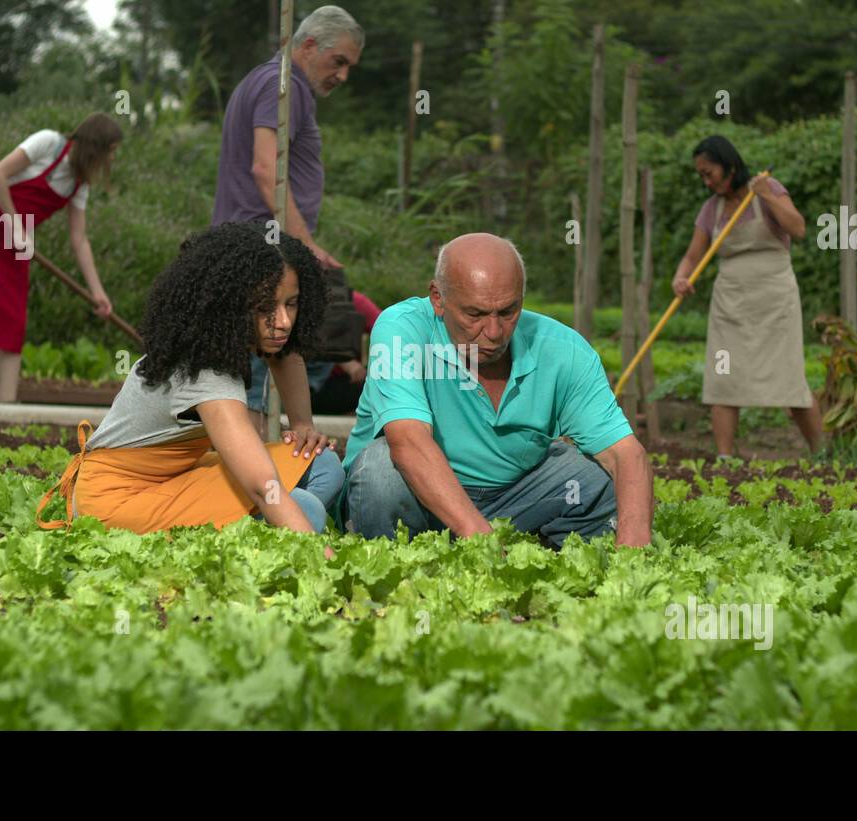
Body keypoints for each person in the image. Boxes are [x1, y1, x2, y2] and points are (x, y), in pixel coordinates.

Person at [341, 233, 654, 549]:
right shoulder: (402, 329)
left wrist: (633, 554)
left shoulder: (563, 349)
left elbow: (625, 454)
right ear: (438, 298)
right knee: (380, 471)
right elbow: (408, 442)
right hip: (418, 498)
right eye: (474, 314)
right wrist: (487, 549)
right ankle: (398, 565)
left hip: (510, 498)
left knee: (599, 479)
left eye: (508, 312)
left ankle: (553, 561)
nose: (493, 332)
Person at [36, 222, 343, 537]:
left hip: (171, 477)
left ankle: (260, 531)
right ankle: (269, 537)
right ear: (228, 306)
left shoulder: (222, 338)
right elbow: (264, 488)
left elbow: (285, 354)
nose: (284, 322)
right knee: (303, 507)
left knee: (322, 464)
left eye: (291, 303)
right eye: (266, 307)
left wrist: (303, 424)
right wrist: (324, 561)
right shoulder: (206, 373)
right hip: (114, 501)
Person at [210, 5, 363, 432]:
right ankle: (261, 482)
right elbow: (266, 168)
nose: (343, 75)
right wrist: (305, 245)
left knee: (257, 363)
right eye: (339, 62)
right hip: (262, 246)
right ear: (309, 45)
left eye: (350, 67)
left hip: (248, 243)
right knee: (261, 371)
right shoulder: (285, 85)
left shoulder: (266, 81)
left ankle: (259, 475)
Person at [0, 112, 121, 403]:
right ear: (97, 146)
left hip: (17, 244)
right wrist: (17, 226)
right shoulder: (48, 143)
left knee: (13, 323)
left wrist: (98, 292)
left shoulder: (78, 184)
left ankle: (6, 408)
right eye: (111, 151)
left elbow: (79, 240)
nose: (112, 159)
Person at [672, 135, 823, 458]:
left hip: (774, 300)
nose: (706, 180)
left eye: (709, 172)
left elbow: (797, 229)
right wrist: (681, 277)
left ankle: (823, 454)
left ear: (730, 166)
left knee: (790, 380)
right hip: (731, 304)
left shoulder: (768, 189)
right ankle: (726, 459)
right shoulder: (711, 209)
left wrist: (768, 196)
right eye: (701, 174)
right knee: (723, 379)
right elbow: (692, 256)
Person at [307, 290, 381, 414]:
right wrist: (344, 360)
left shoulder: (355, 301)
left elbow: (389, 331)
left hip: (346, 382)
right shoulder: (300, 300)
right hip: (310, 388)